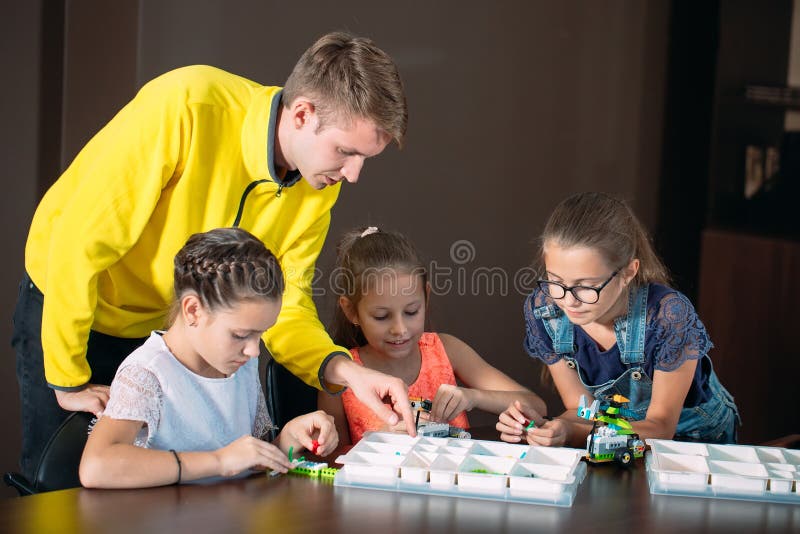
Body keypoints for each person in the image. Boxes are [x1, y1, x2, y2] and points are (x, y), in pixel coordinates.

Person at [13, 31, 414, 481]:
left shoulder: (318, 182)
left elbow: (289, 304)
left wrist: (347, 372)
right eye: (346, 152)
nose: (353, 174)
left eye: (365, 159)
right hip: (70, 304)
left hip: (165, 326)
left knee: (155, 483)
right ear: (302, 114)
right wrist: (67, 377)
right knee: (59, 487)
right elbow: (79, 241)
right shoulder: (186, 106)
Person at [79, 227, 338, 488]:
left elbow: (240, 463)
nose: (254, 351)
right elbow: (95, 467)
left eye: (261, 334)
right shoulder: (147, 373)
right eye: (240, 335)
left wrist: (286, 440)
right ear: (193, 310)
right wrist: (218, 460)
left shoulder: (241, 363)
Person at [497, 192, 740, 447]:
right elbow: (583, 411)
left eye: (586, 286)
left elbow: (661, 428)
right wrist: (550, 428)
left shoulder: (668, 317)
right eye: (556, 282)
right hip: (612, 438)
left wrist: (574, 433)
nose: (569, 301)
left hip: (694, 439)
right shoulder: (546, 312)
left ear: (628, 272)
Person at [318, 227, 546, 446]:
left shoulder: (445, 350)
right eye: (381, 316)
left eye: (411, 312)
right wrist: (381, 441)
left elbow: (536, 407)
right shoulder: (340, 374)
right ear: (351, 311)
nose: (400, 329)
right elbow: (334, 456)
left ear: (426, 297)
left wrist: (473, 397)